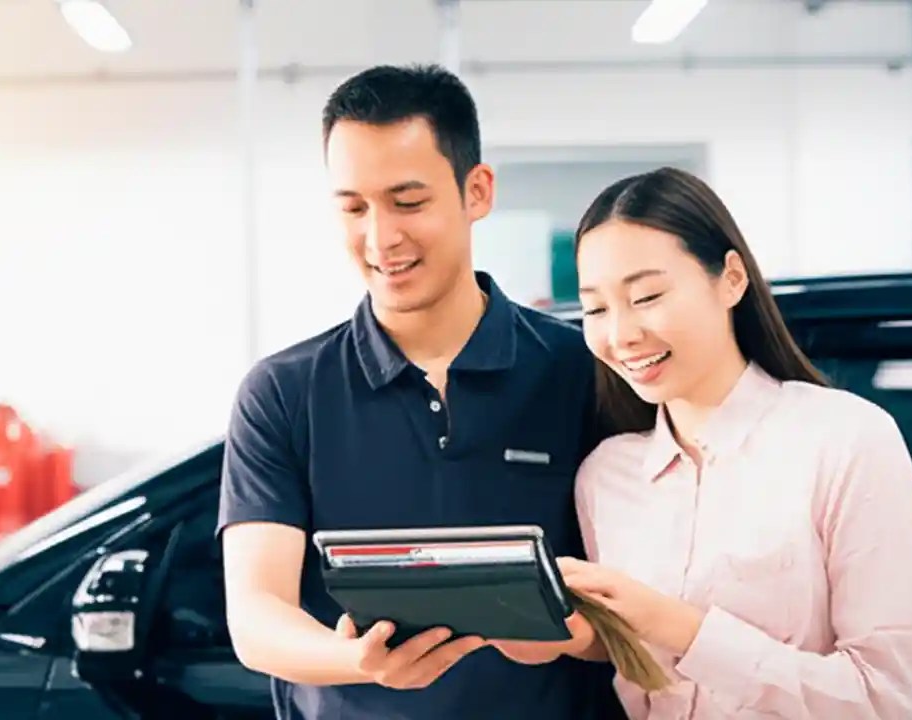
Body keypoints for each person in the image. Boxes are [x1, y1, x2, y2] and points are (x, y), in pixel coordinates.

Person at [216, 63, 615, 720]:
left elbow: (642, 605)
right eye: (353, 207)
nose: (381, 238)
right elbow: (257, 617)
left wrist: (566, 633)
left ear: (477, 191)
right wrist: (359, 662)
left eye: (408, 202)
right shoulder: (283, 392)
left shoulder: (581, 370)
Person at [543, 166, 912, 718]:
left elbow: (883, 700)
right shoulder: (606, 476)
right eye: (597, 308)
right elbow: (639, 664)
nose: (622, 334)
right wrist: (581, 639)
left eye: (647, 295)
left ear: (730, 279)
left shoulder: (846, 440)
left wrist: (679, 626)